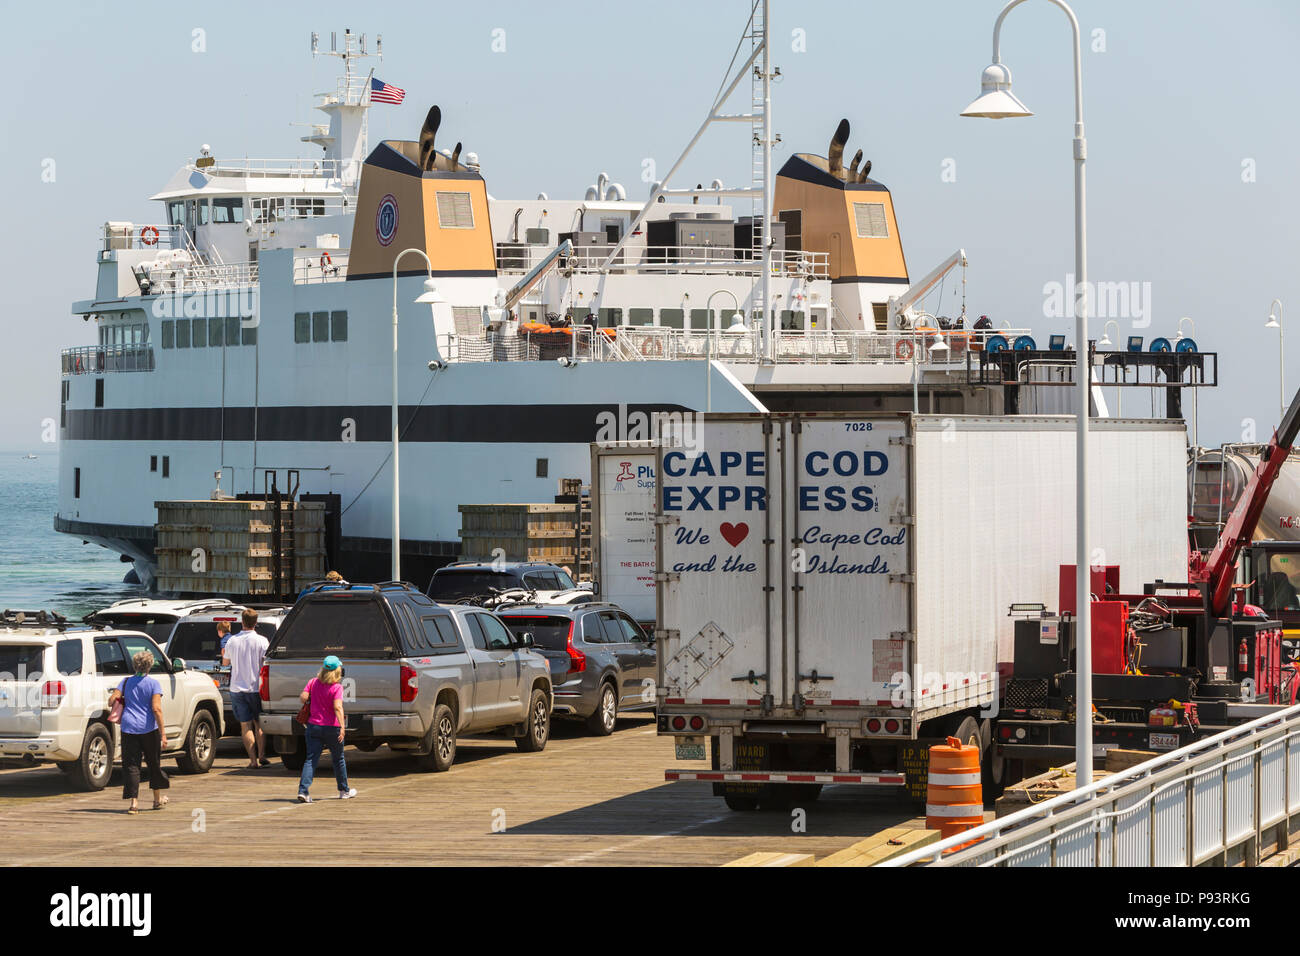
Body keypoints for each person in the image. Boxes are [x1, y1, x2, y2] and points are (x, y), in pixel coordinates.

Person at [107, 650, 170, 814]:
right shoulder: (154, 684)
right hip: (149, 729)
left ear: (135, 665)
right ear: (150, 666)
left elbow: (111, 700)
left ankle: (134, 804)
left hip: (128, 728)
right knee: (154, 763)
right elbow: (156, 709)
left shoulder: (125, 682)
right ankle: (157, 800)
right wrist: (163, 734)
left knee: (132, 766)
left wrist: (120, 697)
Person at [297, 656, 356, 803]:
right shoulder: (337, 687)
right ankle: (344, 790)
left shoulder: (312, 682)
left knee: (311, 759)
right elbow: (337, 707)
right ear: (337, 671)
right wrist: (342, 727)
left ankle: (303, 791)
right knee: (338, 759)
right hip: (332, 727)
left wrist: (312, 698)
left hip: (313, 726)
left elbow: (302, 698)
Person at [222, 608, 270, 769]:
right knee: (259, 723)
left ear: (242, 622)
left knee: (245, 725)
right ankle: (262, 755)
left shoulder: (232, 641)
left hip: (237, 688)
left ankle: (253, 760)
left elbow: (225, 663)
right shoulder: (262, 641)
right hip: (256, 687)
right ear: (256, 623)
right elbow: (266, 663)